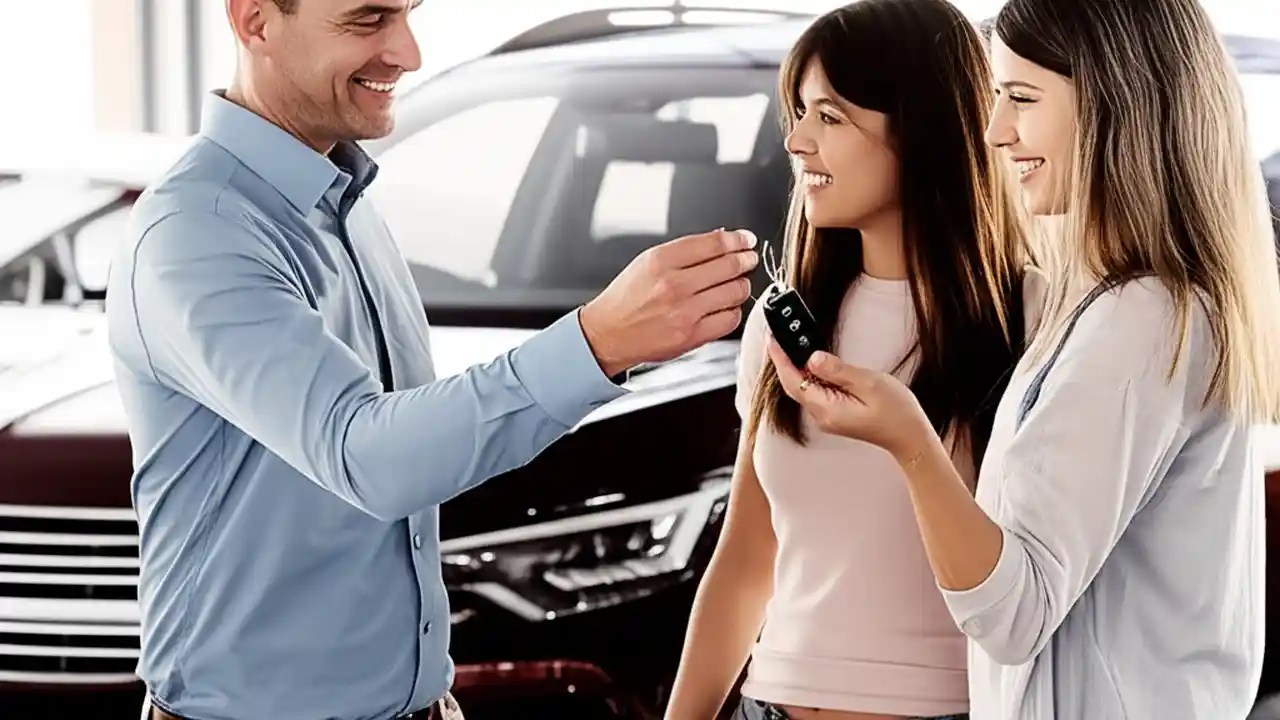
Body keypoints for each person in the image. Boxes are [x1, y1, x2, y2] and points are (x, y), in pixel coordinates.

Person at [103, 1, 759, 719]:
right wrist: (600, 341)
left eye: (408, 14)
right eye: (368, 20)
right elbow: (367, 455)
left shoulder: (340, 201)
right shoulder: (202, 229)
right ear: (256, 20)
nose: (407, 54)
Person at [767, 0, 1280, 718]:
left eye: (1022, 99)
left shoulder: (1145, 318)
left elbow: (1012, 615)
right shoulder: (1115, 306)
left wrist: (911, 446)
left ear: (1115, 105)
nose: (996, 131)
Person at [663, 2, 1036, 719]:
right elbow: (745, 561)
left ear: (922, 130)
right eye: (797, 113)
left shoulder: (1034, 319)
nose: (798, 142)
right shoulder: (785, 324)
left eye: (830, 117)